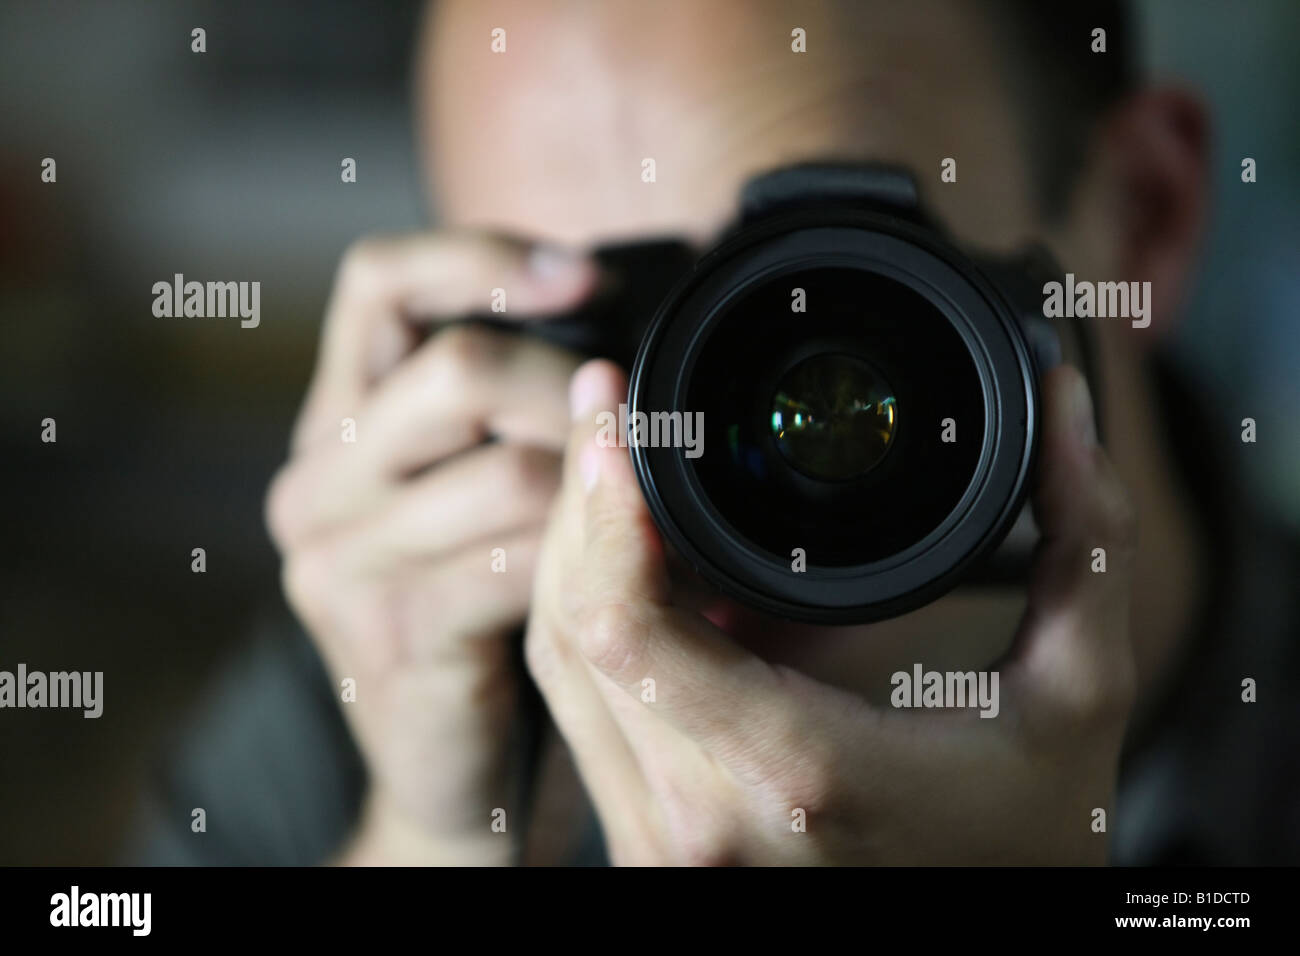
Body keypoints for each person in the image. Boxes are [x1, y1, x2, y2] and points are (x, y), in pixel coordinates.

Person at [129, 0, 1300, 865]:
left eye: (817, 287)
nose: (686, 441)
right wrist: (434, 838)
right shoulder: (389, 704)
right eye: (604, 327)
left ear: (1141, 220)